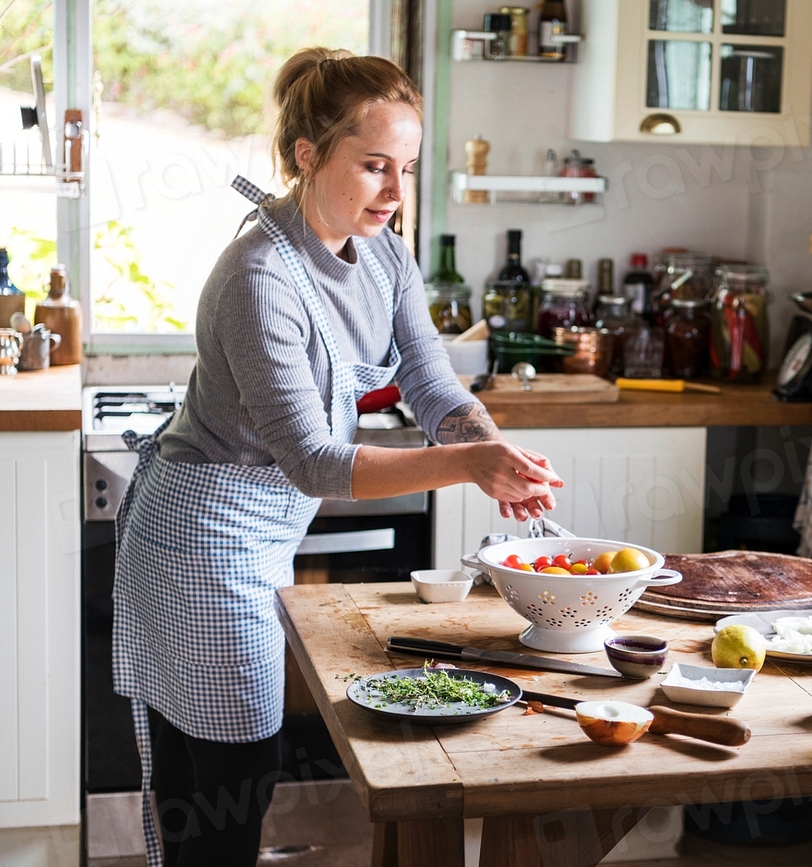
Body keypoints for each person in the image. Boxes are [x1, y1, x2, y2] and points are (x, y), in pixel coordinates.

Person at [111, 47, 561, 867]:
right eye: (375, 166)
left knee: (232, 763)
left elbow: (430, 381)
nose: (395, 192)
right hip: (197, 536)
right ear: (307, 155)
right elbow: (317, 462)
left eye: (408, 169)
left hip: (261, 532)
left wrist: (486, 444)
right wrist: (467, 466)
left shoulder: (382, 249)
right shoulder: (258, 276)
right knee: (231, 768)